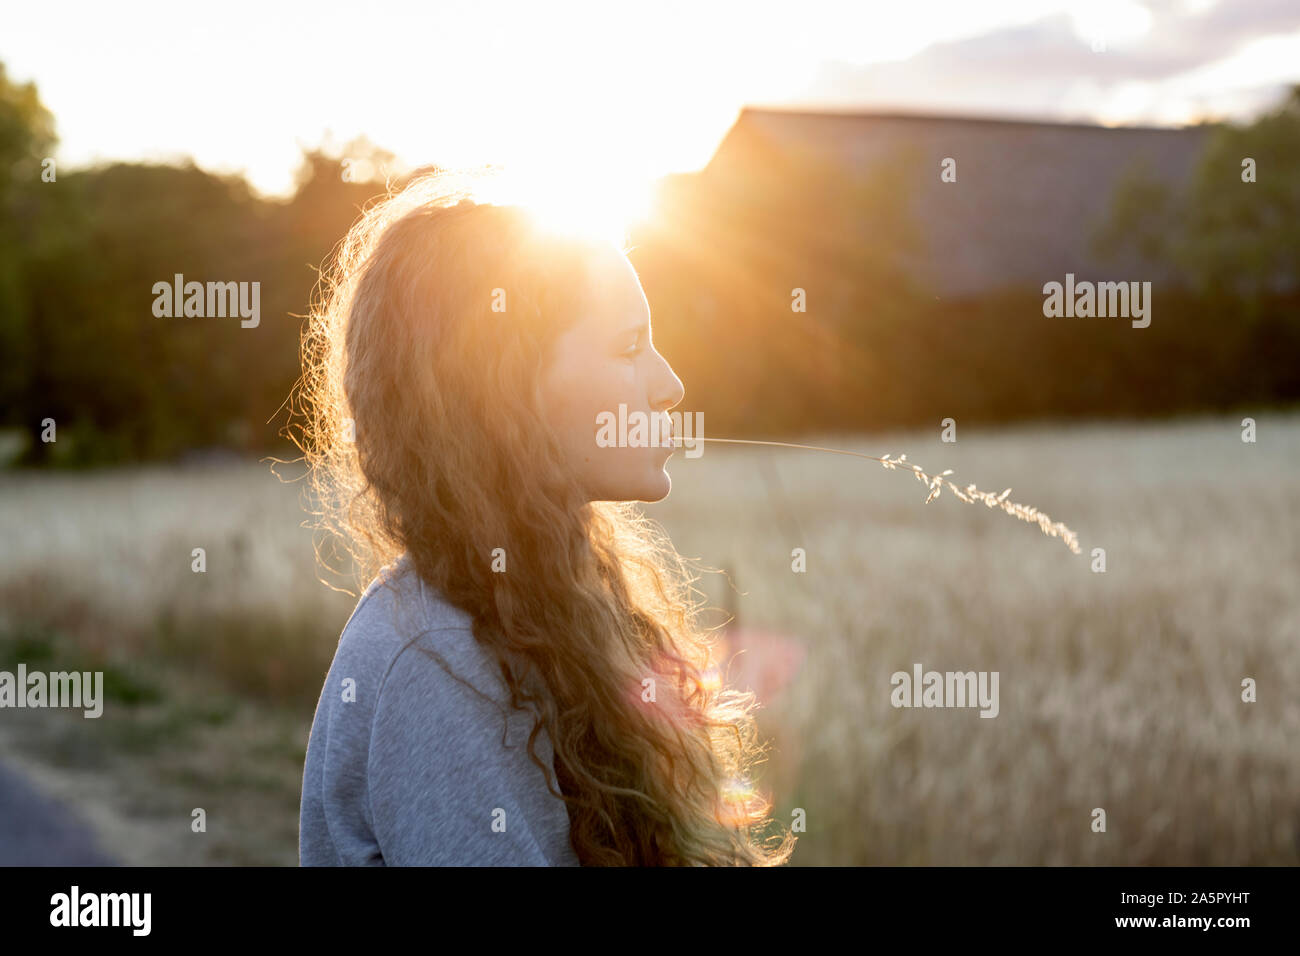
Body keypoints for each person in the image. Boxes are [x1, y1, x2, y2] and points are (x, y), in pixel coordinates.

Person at [294, 170, 796, 866]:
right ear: (503, 389)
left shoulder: (545, 601)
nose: (669, 384)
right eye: (628, 348)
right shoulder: (436, 662)